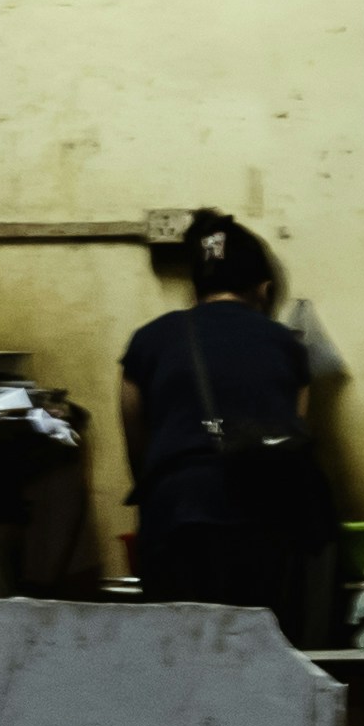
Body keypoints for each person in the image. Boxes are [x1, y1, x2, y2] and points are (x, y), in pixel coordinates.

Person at [116, 213, 328, 637]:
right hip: (265, 520)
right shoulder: (287, 344)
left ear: (195, 288)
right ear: (265, 290)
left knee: (177, 654)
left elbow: (136, 435)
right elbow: (297, 432)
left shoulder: (148, 340)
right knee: (257, 652)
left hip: (176, 515)